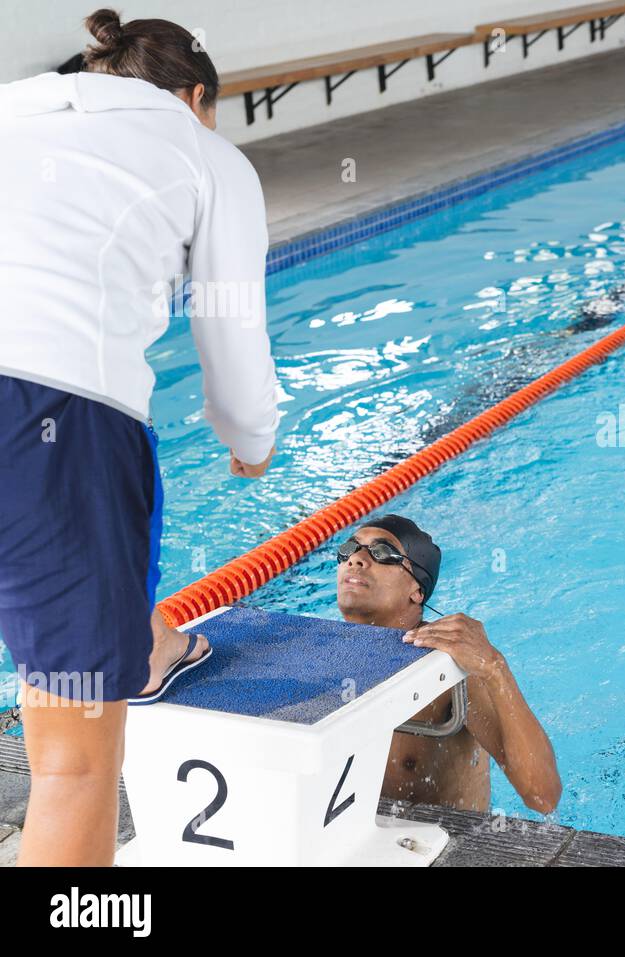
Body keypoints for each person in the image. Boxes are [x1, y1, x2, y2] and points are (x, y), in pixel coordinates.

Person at [0, 9, 279, 865]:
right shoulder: (208, 157)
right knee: (75, 767)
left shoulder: (12, 108)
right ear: (196, 96)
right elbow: (230, 335)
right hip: (55, 419)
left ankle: (145, 637)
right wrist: (252, 436)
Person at [336, 516, 562, 814]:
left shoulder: (452, 666)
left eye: (382, 553)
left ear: (417, 590)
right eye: (349, 548)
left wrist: (494, 667)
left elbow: (543, 797)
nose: (356, 559)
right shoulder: (320, 653)